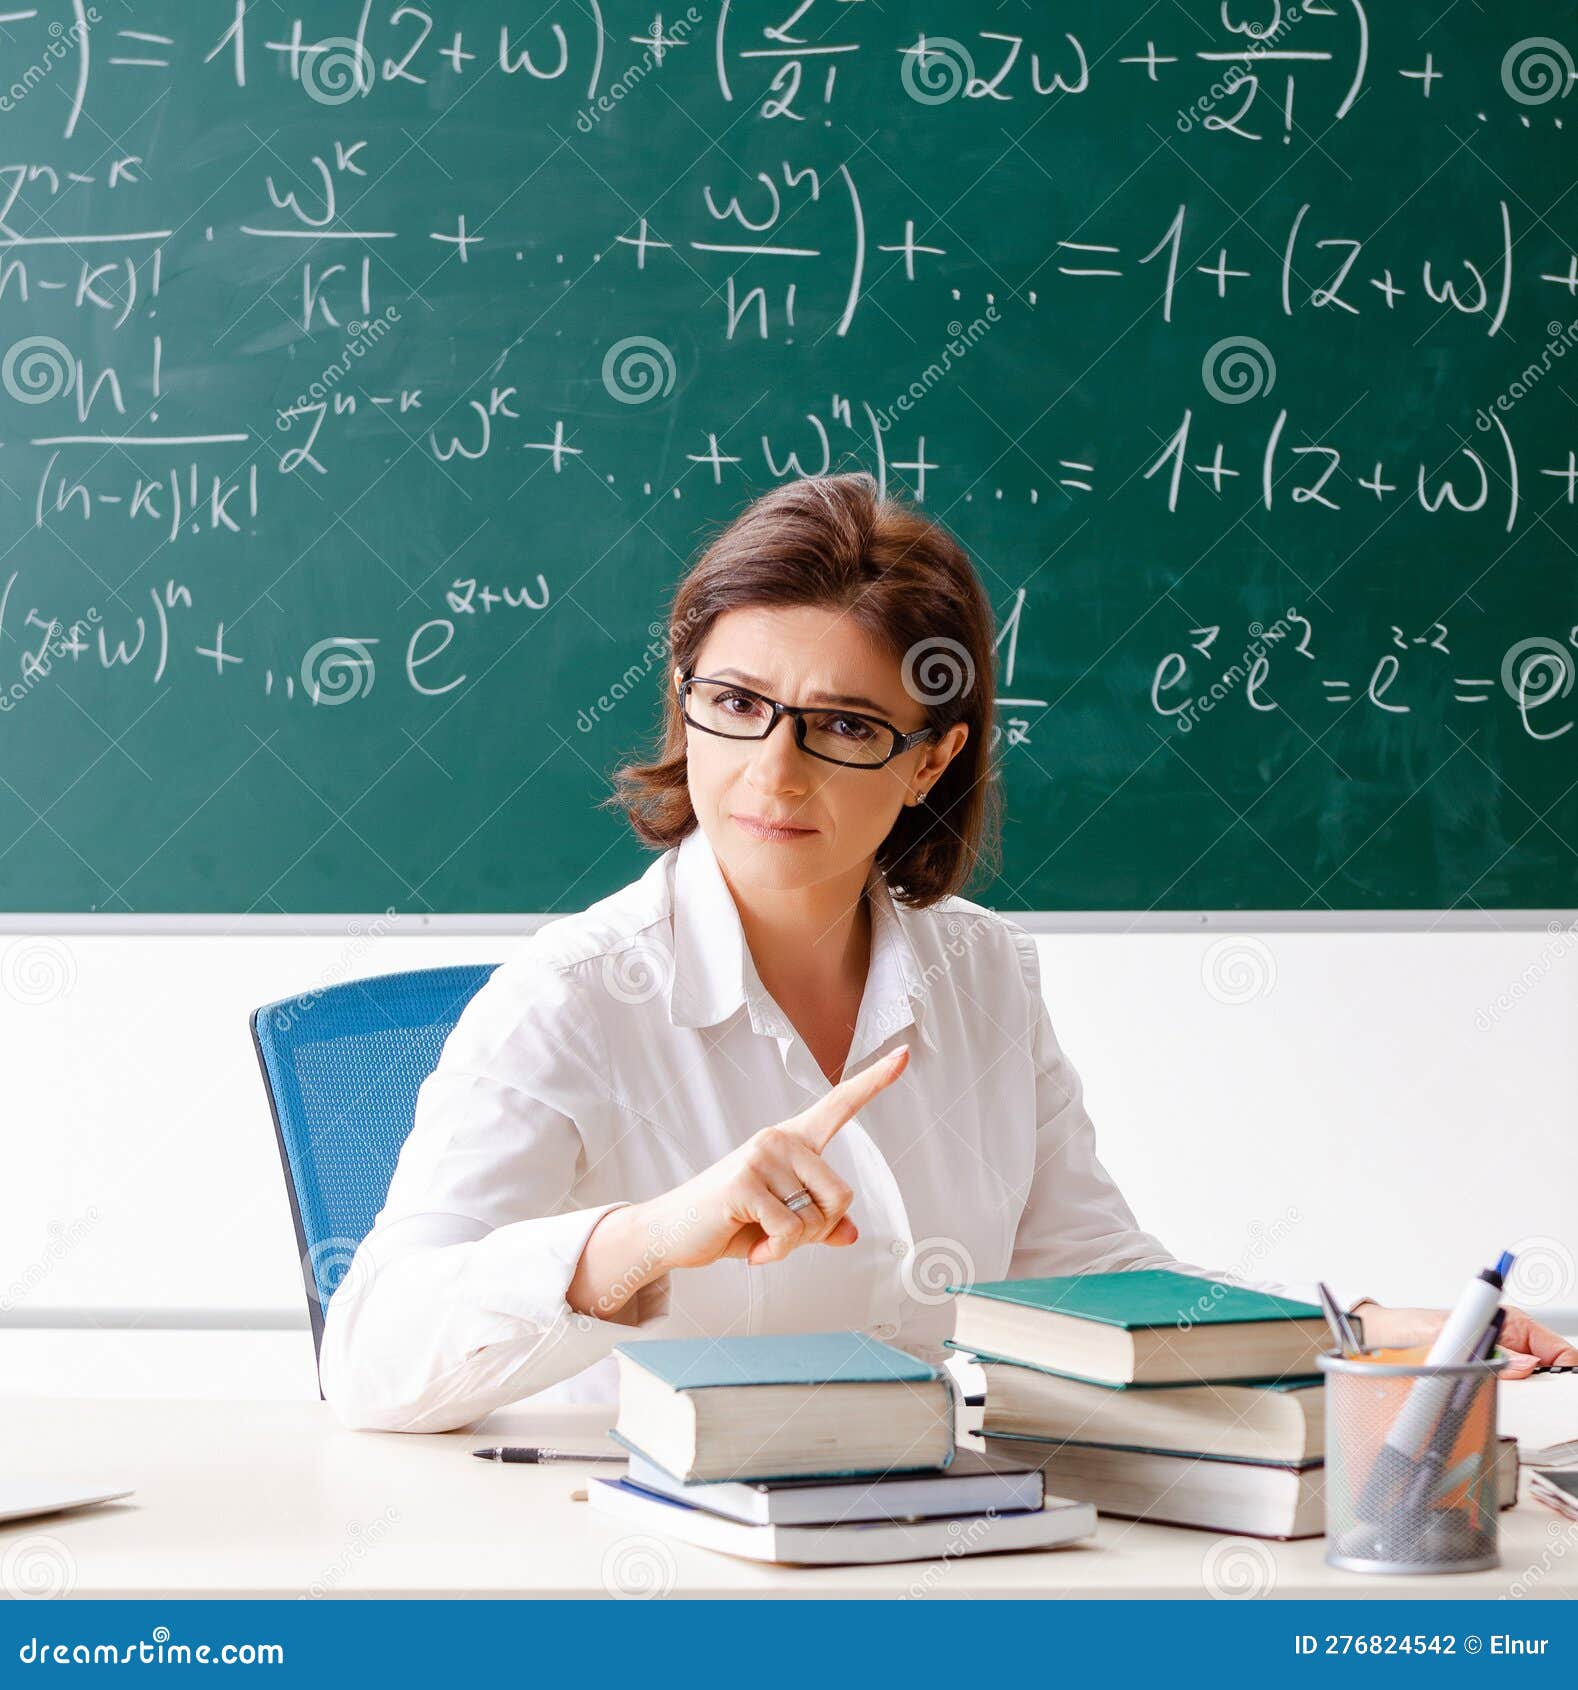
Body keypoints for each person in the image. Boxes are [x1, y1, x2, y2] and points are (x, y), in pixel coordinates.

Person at [319, 473, 1575, 1433]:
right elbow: (368, 1358)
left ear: (932, 759)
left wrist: (1357, 1331)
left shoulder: (982, 975)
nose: (773, 771)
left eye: (843, 726)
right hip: (641, 1568)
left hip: (927, 1536)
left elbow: (1096, 1280)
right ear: (686, 700)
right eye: (737, 703)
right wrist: (653, 1234)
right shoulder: (571, 997)